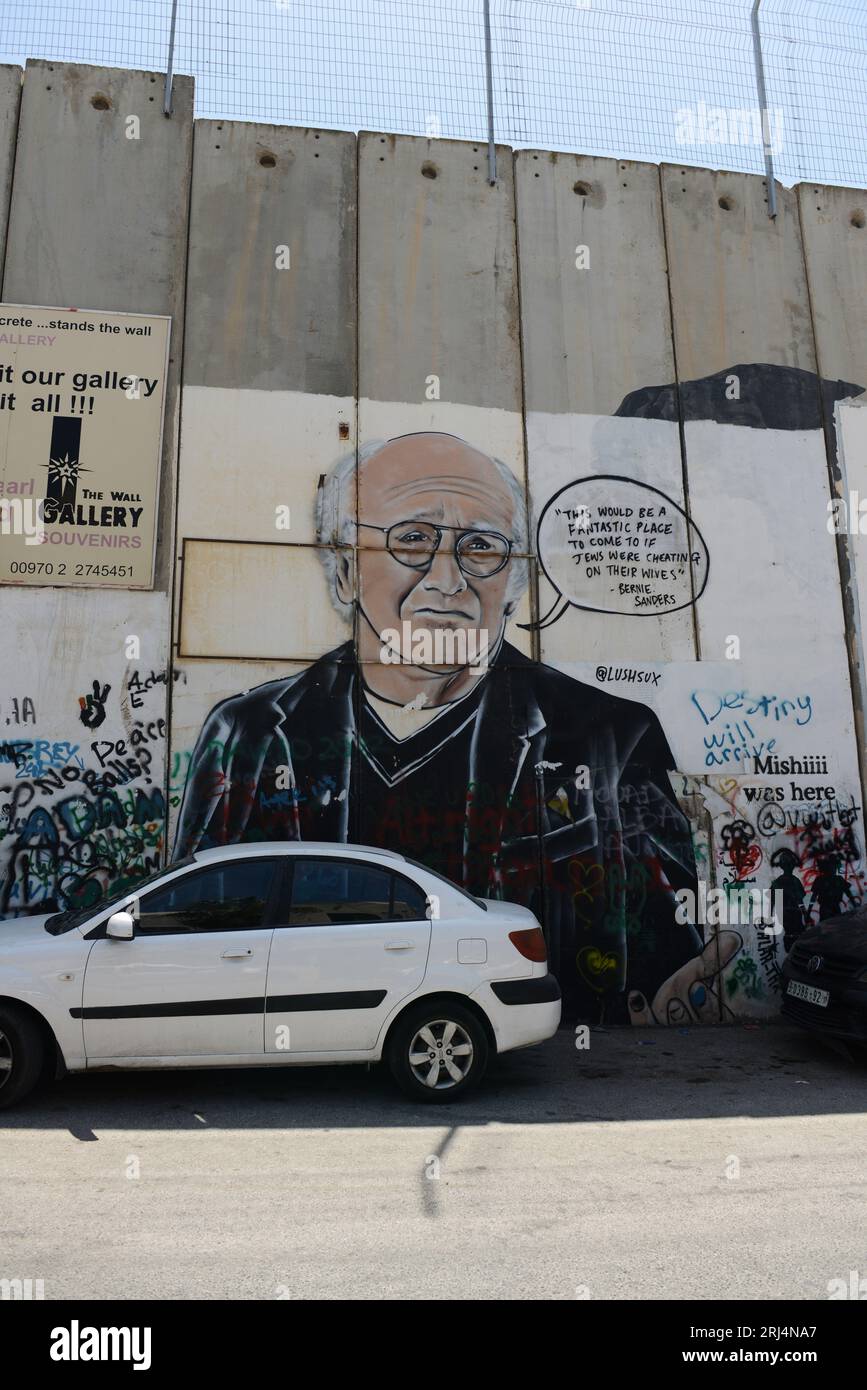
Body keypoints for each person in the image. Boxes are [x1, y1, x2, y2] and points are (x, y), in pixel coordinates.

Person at [174, 431, 718, 1022]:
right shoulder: (249, 735)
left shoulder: (610, 737)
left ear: (512, 588)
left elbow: (664, 966)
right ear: (346, 571)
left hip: (524, 1043)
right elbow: (192, 920)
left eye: (481, 548)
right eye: (412, 540)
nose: (448, 579)